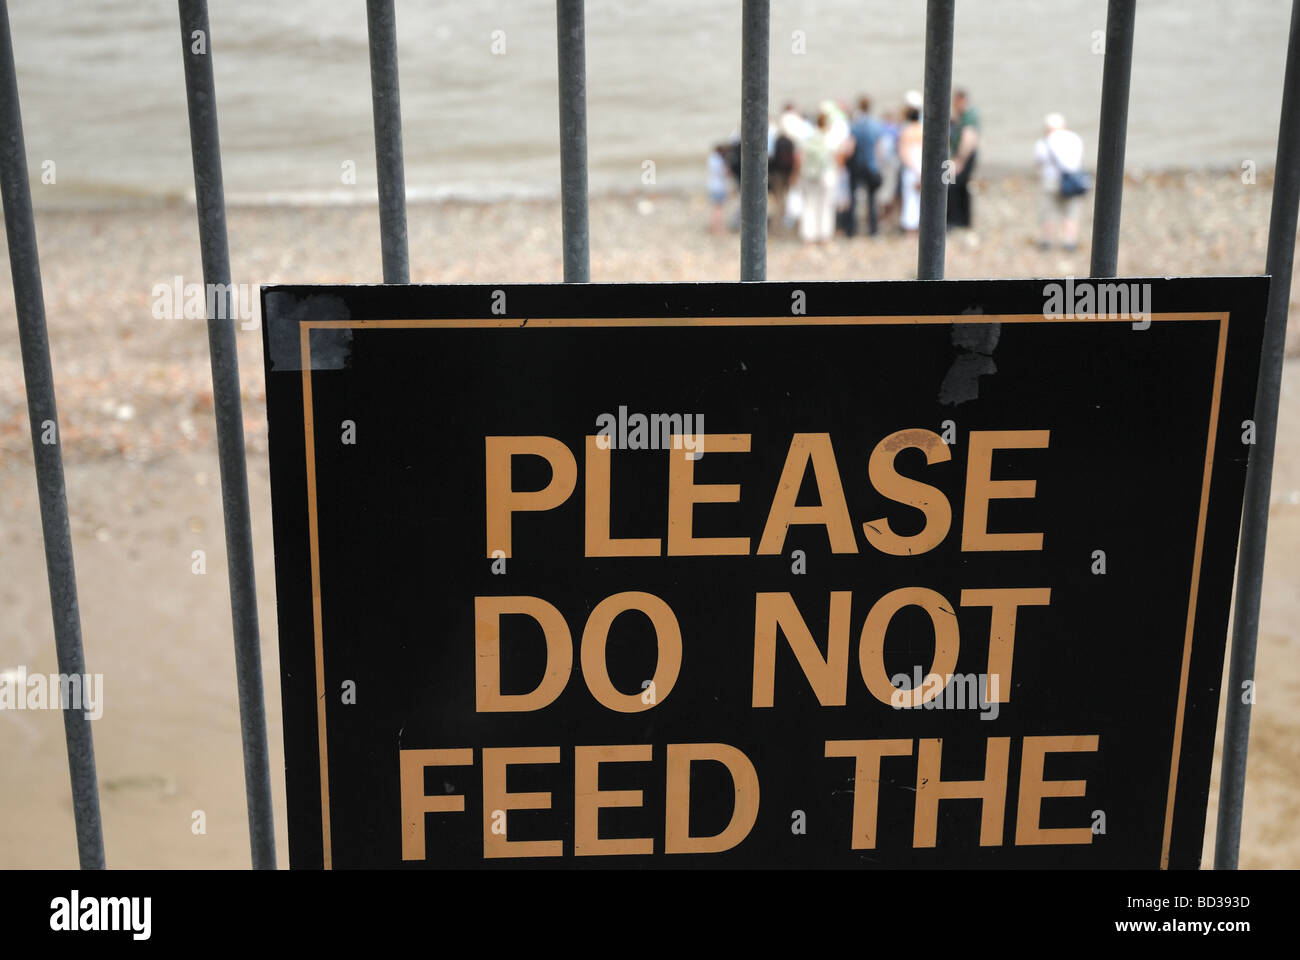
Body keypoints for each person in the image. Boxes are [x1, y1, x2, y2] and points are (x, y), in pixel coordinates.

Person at [1034, 112, 1085, 251]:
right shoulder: (1074, 139)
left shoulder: (1044, 142)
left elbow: (1038, 162)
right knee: (1071, 212)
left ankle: (1047, 241)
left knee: (1048, 212)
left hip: (1050, 181)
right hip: (1071, 180)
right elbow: (1079, 161)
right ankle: (1069, 242)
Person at [798, 111, 837, 243]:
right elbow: (836, 156)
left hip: (809, 173)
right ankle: (824, 234)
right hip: (825, 173)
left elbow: (801, 156)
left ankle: (809, 235)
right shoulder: (829, 138)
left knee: (809, 204)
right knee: (825, 205)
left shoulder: (809, 138)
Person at [847, 96, 883, 236]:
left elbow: (850, 146)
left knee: (854, 198)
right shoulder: (876, 125)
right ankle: (873, 230)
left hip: (857, 165)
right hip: (872, 166)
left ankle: (851, 230)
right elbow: (880, 148)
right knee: (872, 200)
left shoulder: (855, 125)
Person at [947, 88, 980, 229]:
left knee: (952, 185)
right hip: (957, 156)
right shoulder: (960, 116)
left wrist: (960, 160)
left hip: (963, 157)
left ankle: (955, 220)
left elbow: (968, 138)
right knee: (961, 187)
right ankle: (963, 221)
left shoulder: (968, 116)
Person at [897, 94, 924, 233]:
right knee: (921, 200)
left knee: (909, 200)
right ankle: (920, 227)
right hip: (922, 168)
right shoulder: (923, 130)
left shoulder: (906, 131)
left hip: (911, 169)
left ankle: (910, 228)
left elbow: (903, 152)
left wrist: (914, 170)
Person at [707, 143, 731, 235]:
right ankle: (718, 229)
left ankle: (714, 227)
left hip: (712, 186)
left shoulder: (711, 159)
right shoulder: (719, 161)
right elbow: (724, 173)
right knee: (719, 209)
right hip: (719, 187)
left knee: (715, 208)